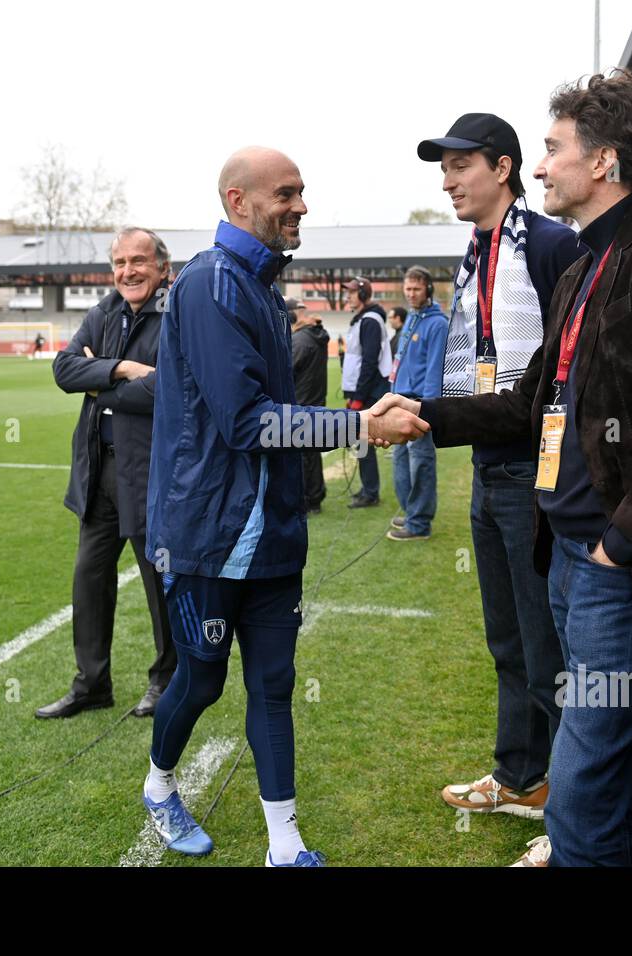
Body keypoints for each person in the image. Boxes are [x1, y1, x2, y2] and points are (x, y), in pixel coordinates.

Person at [376, 75, 632, 866]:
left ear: (605, 160)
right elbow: (527, 405)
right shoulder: (583, 267)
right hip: (567, 555)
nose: (539, 167)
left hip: (620, 567)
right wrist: (424, 414)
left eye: (551, 149)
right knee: (607, 764)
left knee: (578, 775)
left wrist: (624, 542)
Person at [141, 145, 420, 867]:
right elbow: (247, 422)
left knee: (274, 683)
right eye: (286, 193)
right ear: (238, 201)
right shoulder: (209, 285)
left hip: (272, 532)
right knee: (200, 681)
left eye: (302, 193)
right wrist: (360, 425)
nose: (300, 205)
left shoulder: (262, 288)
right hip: (210, 532)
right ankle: (159, 784)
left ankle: (284, 841)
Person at [411, 112, 580, 831]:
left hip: (534, 475)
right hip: (489, 468)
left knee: (547, 648)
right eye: (444, 169)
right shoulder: (475, 253)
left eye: (460, 166)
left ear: (503, 168)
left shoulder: (550, 245)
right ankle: (521, 776)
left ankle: (574, 808)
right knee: (508, 640)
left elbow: (563, 376)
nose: (448, 181)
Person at [39, 227, 178, 721]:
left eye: (138, 261)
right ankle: (91, 683)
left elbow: (169, 390)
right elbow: (63, 369)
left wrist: (100, 381)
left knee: (158, 584)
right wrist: (122, 369)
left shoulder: (178, 312)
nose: (128, 272)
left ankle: (166, 681)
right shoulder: (104, 311)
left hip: (149, 474)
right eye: (119, 263)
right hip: (99, 472)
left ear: (161, 266)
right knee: (88, 582)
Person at [386, 267, 447, 541]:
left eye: (416, 289)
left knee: (420, 462)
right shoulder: (411, 318)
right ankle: (412, 512)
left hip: (418, 404)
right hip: (398, 400)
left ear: (428, 290)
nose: (411, 294)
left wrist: (428, 408)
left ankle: (420, 524)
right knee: (399, 461)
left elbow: (435, 370)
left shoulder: (438, 324)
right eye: (407, 289)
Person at [341, 277, 391, 508]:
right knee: (361, 443)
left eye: (352, 293)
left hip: (369, 393)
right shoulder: (363, 319)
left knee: (363, 442)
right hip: (360, 392)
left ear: (363, 295)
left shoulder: (370, 321)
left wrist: (359, 398)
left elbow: (369, 363)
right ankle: (367, 489)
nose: (348, 297)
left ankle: (370, 493)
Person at [287, 297, 330, 514]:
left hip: (302, 403)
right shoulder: (315, 335)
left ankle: (310, 500)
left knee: (305, 457)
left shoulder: (300, 341)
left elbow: (284, 372)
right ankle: (314, 497)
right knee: (310, 455)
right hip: (313, 401)